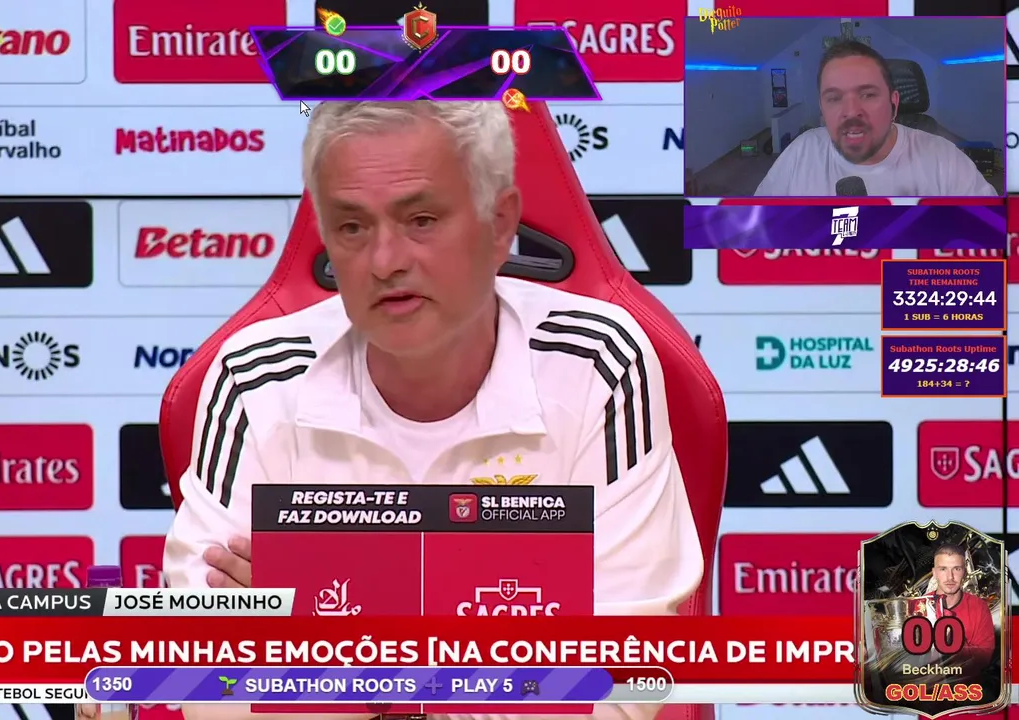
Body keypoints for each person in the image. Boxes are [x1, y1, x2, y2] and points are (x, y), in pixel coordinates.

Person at [162, 100, 704, 720]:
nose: (385, 261)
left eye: (420, 220)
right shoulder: (255, 375)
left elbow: (620, 685)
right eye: (352, 227)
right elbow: (202, 682)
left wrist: (341, 649)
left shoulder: (596, 363)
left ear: (499, 224)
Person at [754, 40, 996, 197]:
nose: (851, 111)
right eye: (834, 98)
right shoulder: (800, 153)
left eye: (868, 94)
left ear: (894, 103)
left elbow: (992, 240)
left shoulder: (945, 161)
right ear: (822, 108)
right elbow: (755, 233)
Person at [930, 542, 995, 675]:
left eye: (957, 569)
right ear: (934, 573)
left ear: (964, 572)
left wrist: (954, 643)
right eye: (943, 569)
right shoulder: (918, 606)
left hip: (966, 685)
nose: (950, 577)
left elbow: (984, 657)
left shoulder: (979, 607)